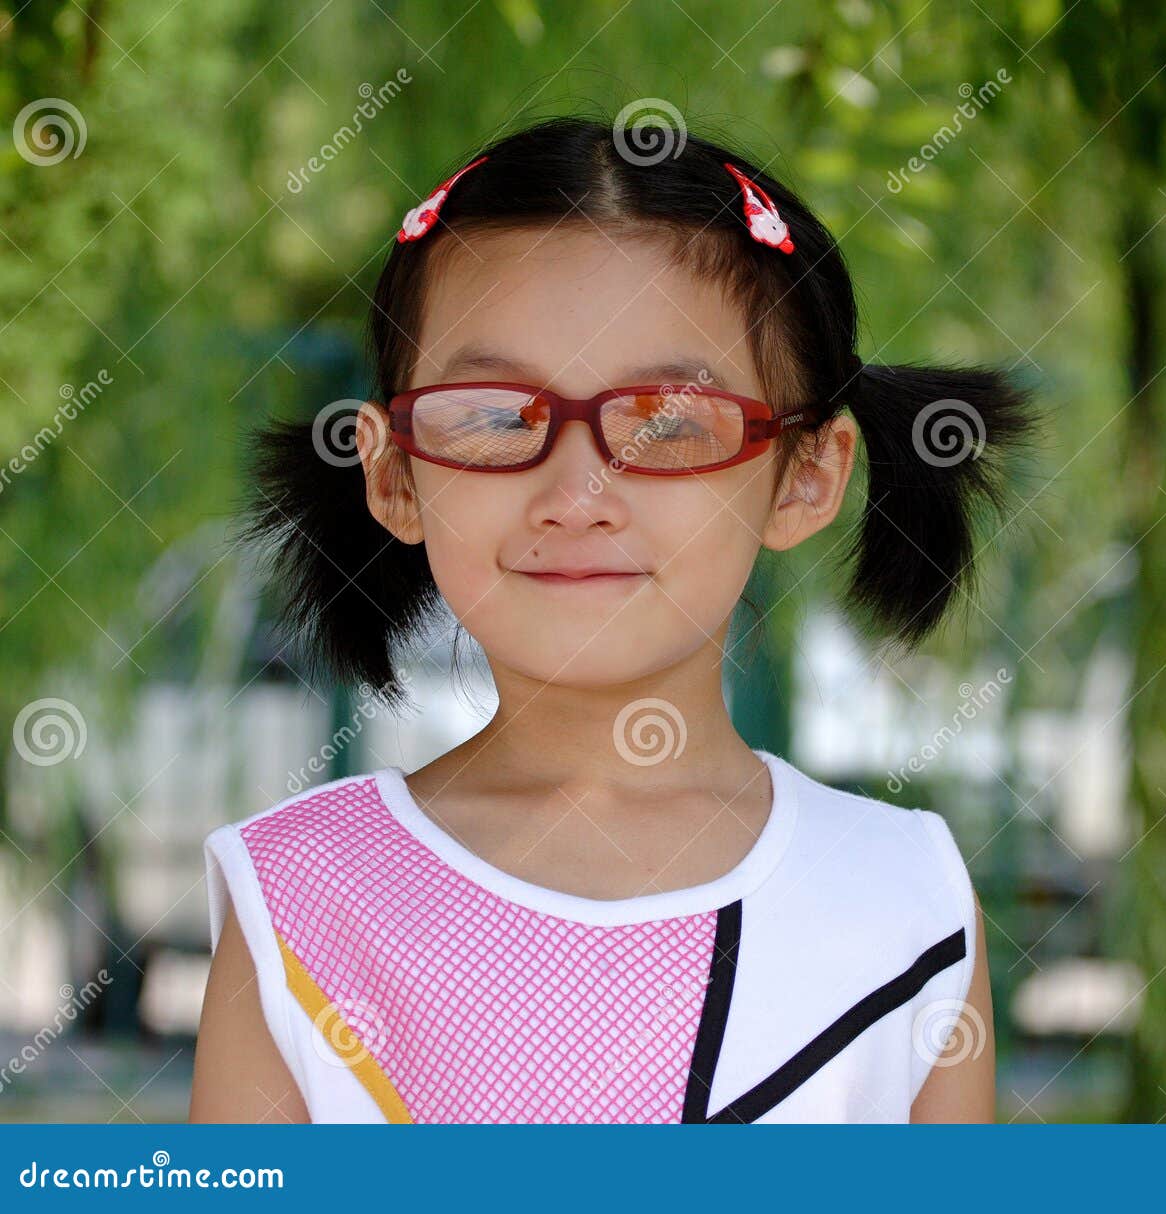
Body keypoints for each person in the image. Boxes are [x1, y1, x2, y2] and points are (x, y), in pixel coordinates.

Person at [189, 114, 1036, 1124]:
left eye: (669, 422)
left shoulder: (908, 898)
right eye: (496, 415)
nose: (577, 491)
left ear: (808, 474)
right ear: (393, 471)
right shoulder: (295, 892)